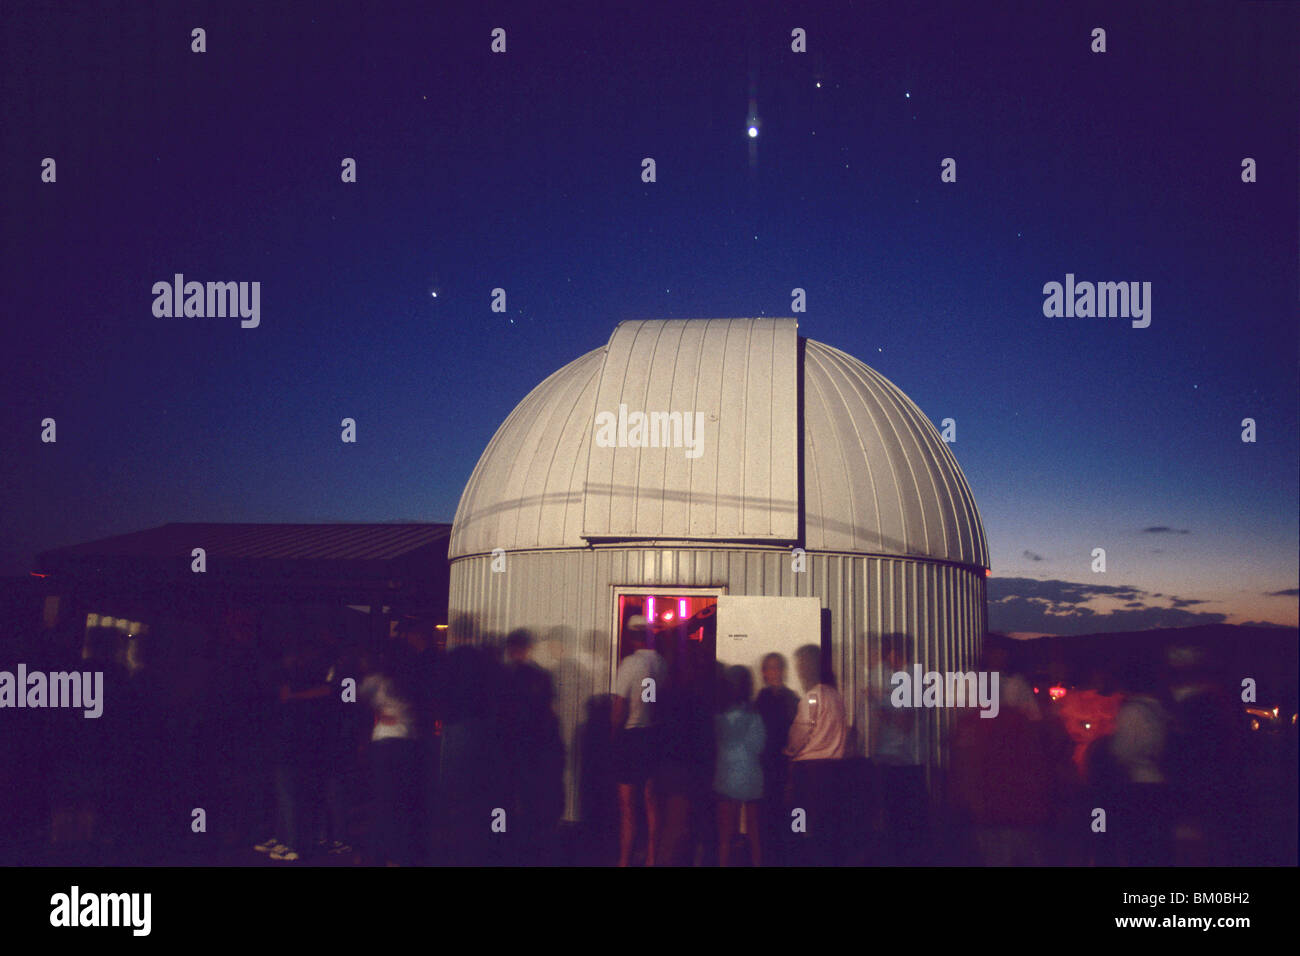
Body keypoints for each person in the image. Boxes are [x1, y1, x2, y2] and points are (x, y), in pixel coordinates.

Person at [611, 615, 667, 866]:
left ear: (631, 636)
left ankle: (623, 860)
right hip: (653, 734)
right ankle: (652, 858)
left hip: (631, 736)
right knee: (651, 800)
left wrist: (613, 735)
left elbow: (619, 707)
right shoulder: (661, 663)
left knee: (627, 806)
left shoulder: (630, 664)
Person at [784, 644, 846, 865]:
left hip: (808, 772)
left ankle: (802, 858)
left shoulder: (812, 697)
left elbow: (800, 733)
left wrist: (788, 750)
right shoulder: (836, 696)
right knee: (825, 824)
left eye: (801, 665)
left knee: (799, 820)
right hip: (833, 770)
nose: (799, 670)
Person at [715, 666, 765, 866]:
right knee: (754, 832)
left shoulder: (719, 716)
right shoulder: (755, 715)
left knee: (725, 834)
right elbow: (759, 745)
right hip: (751, 776)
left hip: (725, 776)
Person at [754, 652, 798, 864]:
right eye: (770, 667)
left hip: (784, 765)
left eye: (777, 667)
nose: (774, 672)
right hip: (765, 766)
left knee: (782, 815)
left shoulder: (791, 698)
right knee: (767, 817)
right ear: (764, 672)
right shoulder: (761, 699)